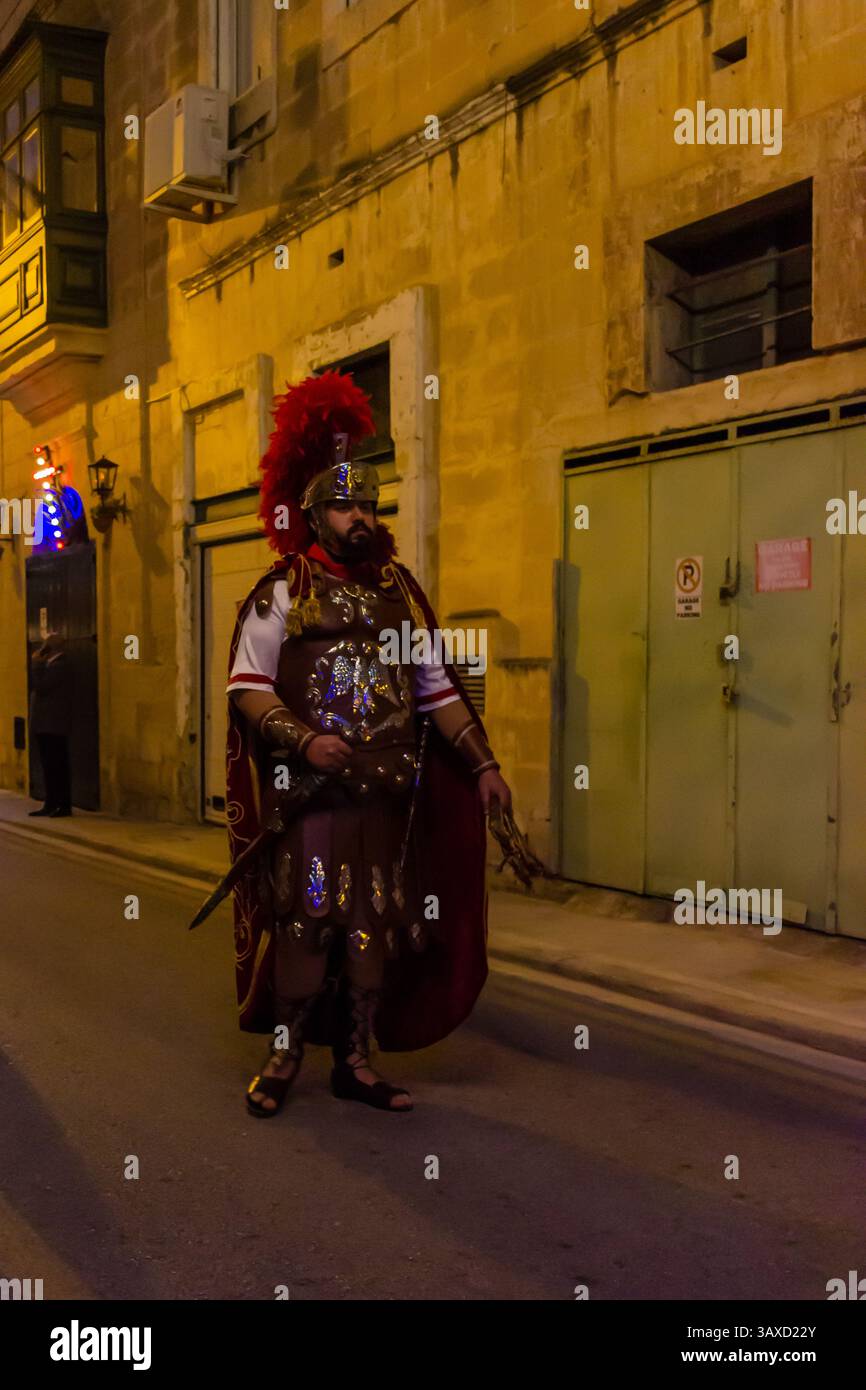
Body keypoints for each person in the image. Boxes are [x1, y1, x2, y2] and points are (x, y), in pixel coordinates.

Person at [225, 371, 511, 1117]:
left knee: (370, 929)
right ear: (314, 513)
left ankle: (355, 1059)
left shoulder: (397, 593)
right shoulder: (282, 590)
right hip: (312, 798)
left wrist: (482, 764)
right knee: (306, 921)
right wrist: (304, 739)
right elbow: (246, 686)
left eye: (367, 504)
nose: (359, 516)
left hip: (386, 798)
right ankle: (285, 1054)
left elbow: (435, 691)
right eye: (343, 504)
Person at [28, 633, 72, 818]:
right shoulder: (53, 666)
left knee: (56, 766)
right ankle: (51, 802)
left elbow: (42, 687)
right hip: (48, 724)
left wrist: (36, 665)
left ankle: (61, 804)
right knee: (50, 766)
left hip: (53, 725)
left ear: (48, 649)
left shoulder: (59, 666)